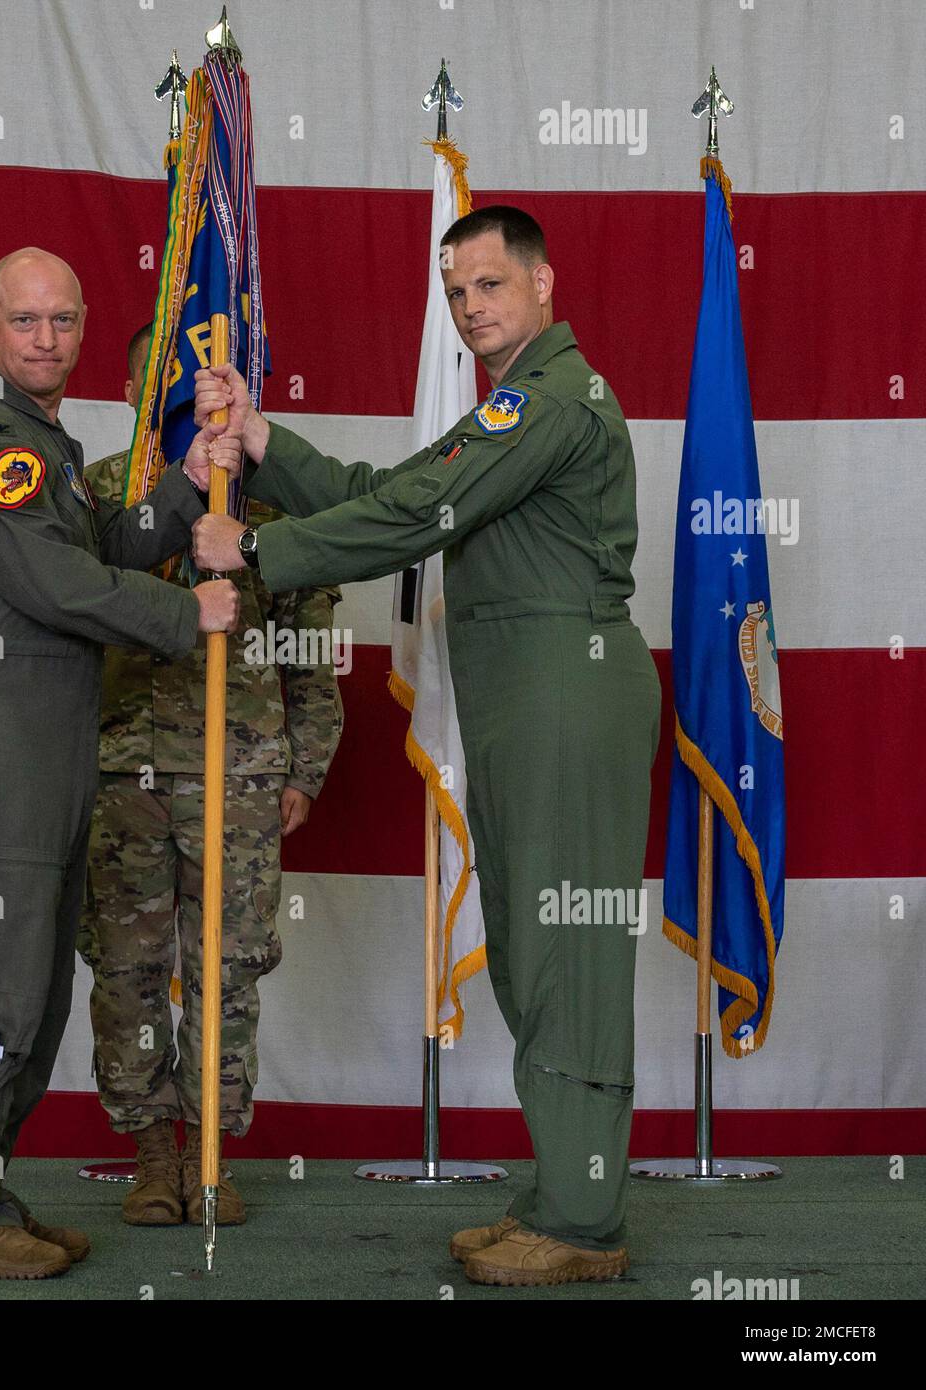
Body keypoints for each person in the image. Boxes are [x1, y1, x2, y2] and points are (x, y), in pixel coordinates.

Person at [191, 206, 661, 1288]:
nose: (469, 308)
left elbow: (416, 514)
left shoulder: (553, 399)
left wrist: (255, 541)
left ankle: (584, 1222)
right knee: (528, 946)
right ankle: (559, 1193)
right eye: (455, 292)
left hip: (562, 692)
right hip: (518, 696)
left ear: (543, 286)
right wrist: (269, 444)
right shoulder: (511, 407)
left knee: (566, 958)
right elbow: (396, 499)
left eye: (489, 285)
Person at [0, 247, 241, 1280]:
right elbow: (54, 583)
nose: (46, 339)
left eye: (62, 321)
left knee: (33, 988)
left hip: (39, 739)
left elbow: (97, 551)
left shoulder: (41, 441)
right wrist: (189, 610)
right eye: (25, 321)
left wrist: (180, 494)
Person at [78, 323, 344, 1227]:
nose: (189, 403)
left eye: (202, 387)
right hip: (122, 770)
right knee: (127, 971)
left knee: (227, 969)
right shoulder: (98, 491)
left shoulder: (271, 506)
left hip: (240, 773)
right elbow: (61, 621)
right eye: (159, 386)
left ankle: (211, 1151)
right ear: (127, 390)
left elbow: (310, 649)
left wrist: (306, 761)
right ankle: (152, 1150)